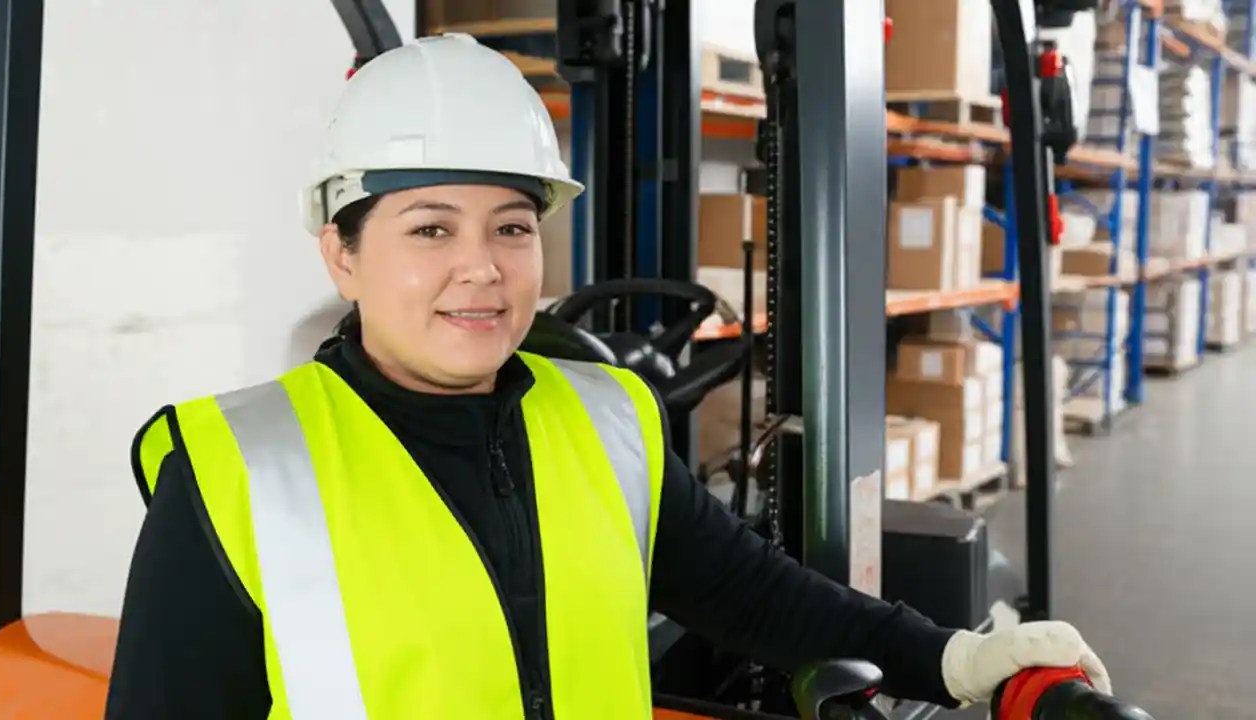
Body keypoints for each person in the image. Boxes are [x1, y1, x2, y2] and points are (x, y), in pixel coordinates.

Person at [104, 34, 1110, 720]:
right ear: (341, 255)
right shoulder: (239, 470)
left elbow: (754, 596)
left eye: (510, 228)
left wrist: (954, 659)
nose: (480, 269)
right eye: (428, 230)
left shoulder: (606, 421)